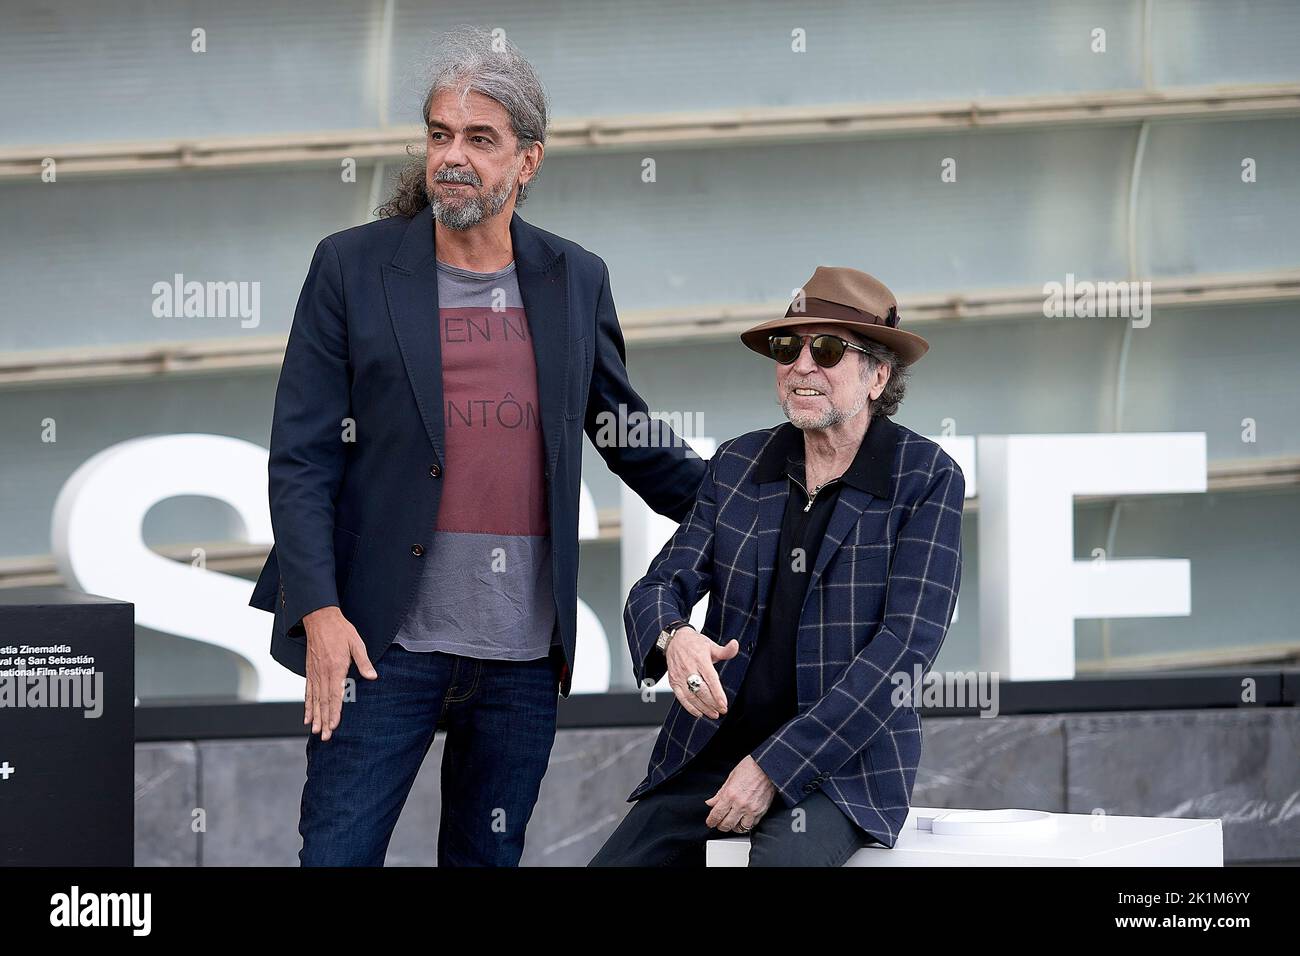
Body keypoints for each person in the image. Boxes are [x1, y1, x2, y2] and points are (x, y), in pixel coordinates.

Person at [248, 27, 705, 866]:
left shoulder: (575, 277)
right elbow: (302, 454)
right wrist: (318, 610)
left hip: (521, 654)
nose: (452, 157)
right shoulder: (350, 268)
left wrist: (750, 495)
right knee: (336, 856)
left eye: (480, 139)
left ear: (527, 161)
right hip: (376, 641)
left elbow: (621, 431)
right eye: (439, 134)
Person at [591, 267, 964, 866]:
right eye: (788, 347)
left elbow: (905, 648)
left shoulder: (923, 477)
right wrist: (674, 635)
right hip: (717, 750)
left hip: (842, 765)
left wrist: (774, 766)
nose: (801, 365)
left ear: (878, 376)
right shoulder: (740, 464)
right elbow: (660, 584)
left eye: (829, 350)